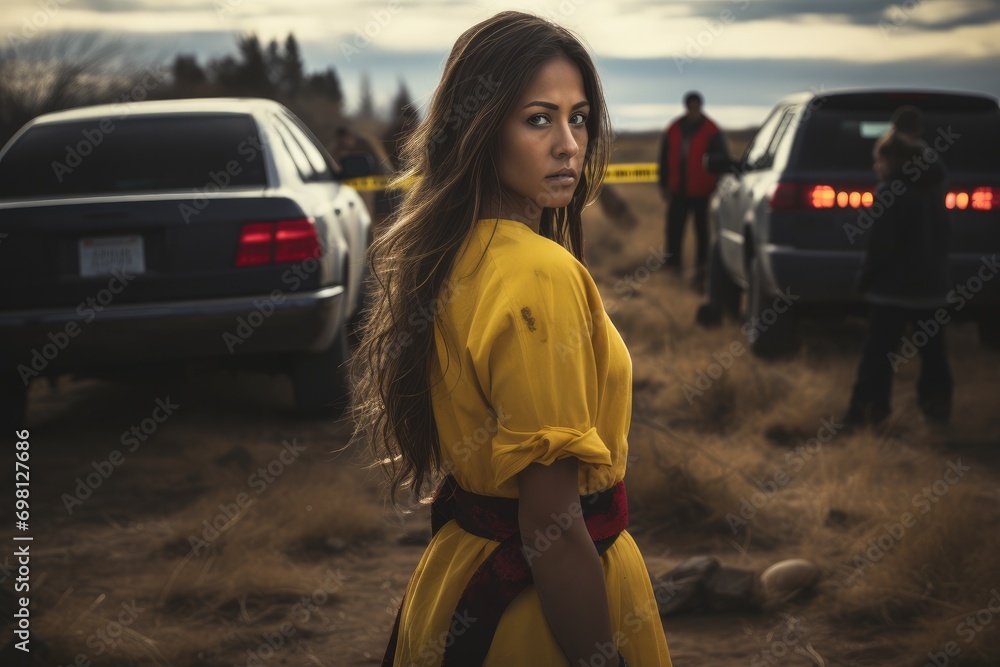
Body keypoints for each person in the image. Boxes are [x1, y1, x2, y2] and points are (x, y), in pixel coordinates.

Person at [351, 11, 672, 667]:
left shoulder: (457, 250)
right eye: (538, 119)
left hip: (455, 580)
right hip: (534, 617)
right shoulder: (539, 274)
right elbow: (551, 527)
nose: (568, 144)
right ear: (480, 128)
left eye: (578, 117)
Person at [846, 128, 953, 427]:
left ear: (892, 160)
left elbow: (881, 245)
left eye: (878, 160)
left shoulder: (890, 192)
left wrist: (864, 281)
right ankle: (937, 412)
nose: (875, 168)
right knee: (934, 355)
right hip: (932, 288)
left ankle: (867, 414)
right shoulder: (935, 187)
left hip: (892, 290)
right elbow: (946, 236)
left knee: (878, 356)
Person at [657, 91, 726, 280]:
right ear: (686, 106)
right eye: (690, 106)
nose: (693, 109)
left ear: (700, 106)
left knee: (703, 233)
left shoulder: (711, 130)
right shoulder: (673, 128)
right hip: (678, 191)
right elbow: (663, 158)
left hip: (702, 193)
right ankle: (673, 270)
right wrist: (663, 184)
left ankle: (701, 272)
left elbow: (721, 160)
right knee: (673, 231)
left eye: (696, 106)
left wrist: (715, 187)